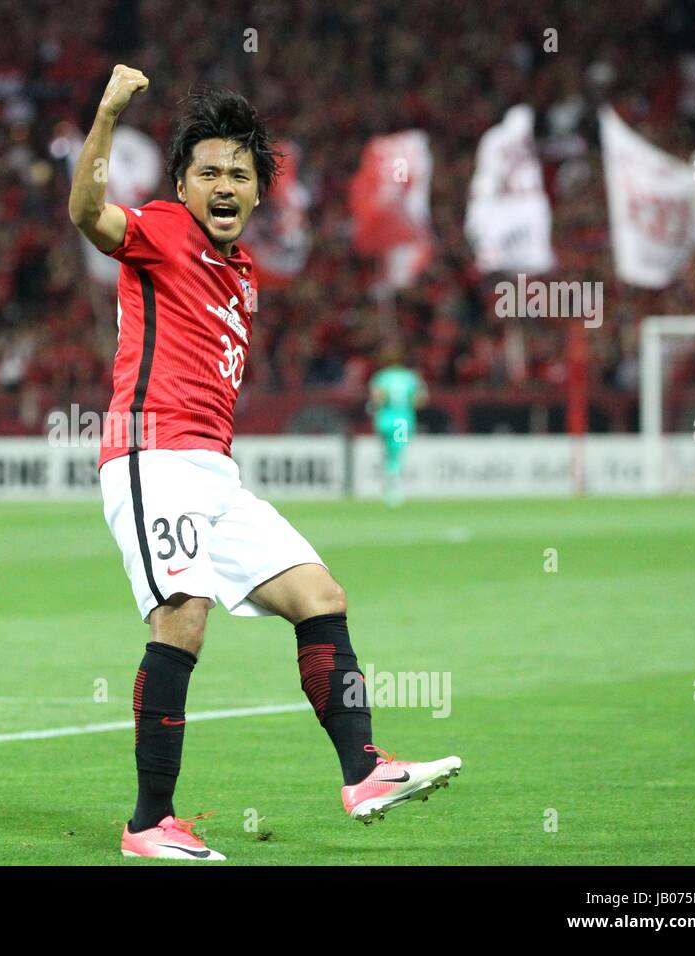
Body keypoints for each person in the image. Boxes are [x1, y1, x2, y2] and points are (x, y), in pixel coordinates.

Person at [69, 66, 460, 861]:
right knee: (183, 616)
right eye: (208, 171)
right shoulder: (161, 229)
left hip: (215, 472)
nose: (223, 185)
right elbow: (85, 212)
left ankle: (364, 772)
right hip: (152, 456)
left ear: (256, 195)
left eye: (239, 175)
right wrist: (108, 114)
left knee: (320, 594)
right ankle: (148, 825)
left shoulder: (244, 276)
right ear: (181, 184)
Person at [368, 351, 428, 507]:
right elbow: (420, 400)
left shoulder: (381, 377)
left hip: (384, 420)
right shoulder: (411, 377)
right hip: (402, 422)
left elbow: (377, 399)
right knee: (397, 454)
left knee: (387, 453)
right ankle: (393, 489)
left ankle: (388, 486)